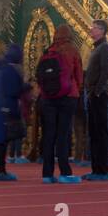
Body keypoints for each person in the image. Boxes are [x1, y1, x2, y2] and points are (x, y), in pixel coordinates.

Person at [36, 25, 83, 184]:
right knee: (63, 135)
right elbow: (79, 77)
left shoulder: (48, 51)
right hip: (68, 96)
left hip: (48, 98)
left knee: (49, 135)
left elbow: (40, 76)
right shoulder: (72, 50)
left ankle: (47, 175)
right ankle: (65, 172)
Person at [0, 43, 25, 182]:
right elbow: (13, 91)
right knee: (3, 142)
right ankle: (1, 171)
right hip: (7, 109)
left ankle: (0, 170)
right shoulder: (10, 70)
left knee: (1, 142)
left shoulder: (2, 68)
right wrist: (26, 87)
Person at [83, 19, 108, 181]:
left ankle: (103, 170)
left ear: (102, 31)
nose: (91, 29)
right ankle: (96, 169)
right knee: (94, 133)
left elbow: (106, 71)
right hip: (94, 95)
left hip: (100, 96)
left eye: (94, 28)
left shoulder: (105, 48)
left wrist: (97, 91)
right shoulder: (97, 48)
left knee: (100, 133)